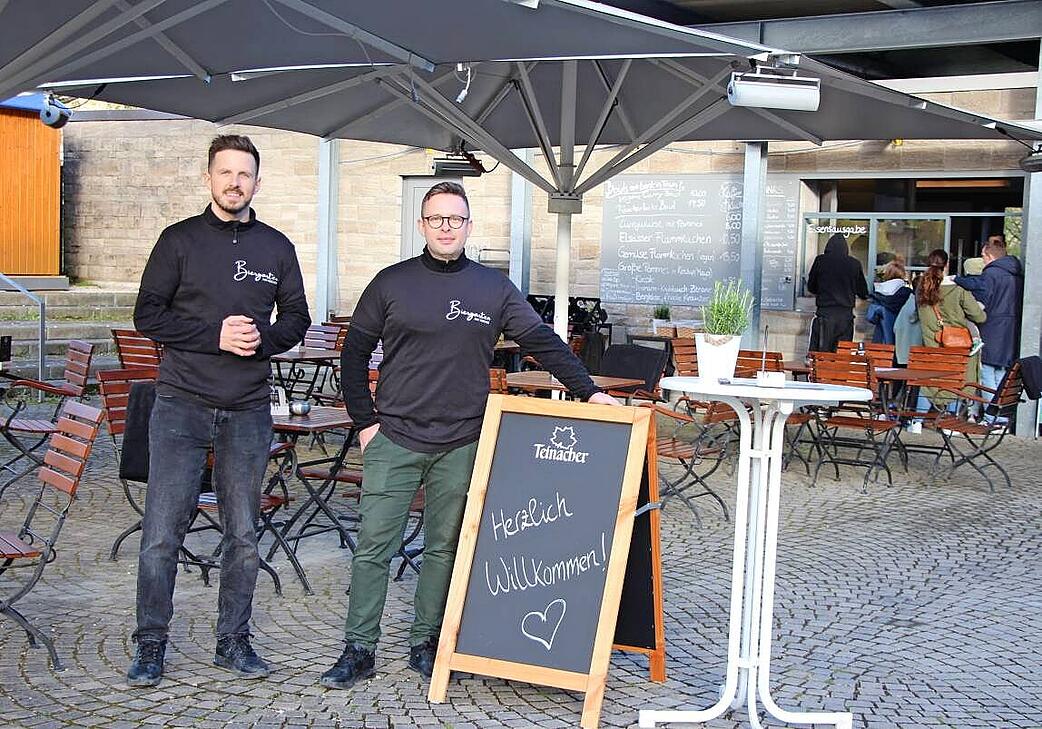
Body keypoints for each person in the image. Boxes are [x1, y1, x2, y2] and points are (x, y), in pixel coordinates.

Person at [320, 181, 618, 689]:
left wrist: (587, 392)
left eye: (455, 219)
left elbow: (542, 341)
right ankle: (359, 647)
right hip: (394, 436)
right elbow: (354, 353)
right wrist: (366, 422)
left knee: (445, 547)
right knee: (374, 545)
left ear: (468, 227)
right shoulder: (390, 283)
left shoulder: (492, 289)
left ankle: (426, 640)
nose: (445, 228)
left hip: (461, 442)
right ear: (421, 224)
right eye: (436, 219)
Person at [126, 135, 311, 686]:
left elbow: (297, 317)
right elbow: (147, 315)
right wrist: (214, 335)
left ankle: (233, 641)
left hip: (248, 412)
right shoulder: (178, 241)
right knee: (162, 531)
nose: (235, 182)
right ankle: (151, 644)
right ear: (209, 178)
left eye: (245, 174)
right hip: (180, 406)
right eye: (225, 172)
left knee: (243, 535)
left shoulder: (276, 247)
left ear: (257, 181)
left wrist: (264, 341)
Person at [909, 249, 985, 433]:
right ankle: (948, 423)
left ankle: (917, 421)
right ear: (947, 265)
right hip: (955, 348)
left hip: (930, 347)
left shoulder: (921, 289)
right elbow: (979, 316)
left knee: (927, 383)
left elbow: (916, 315)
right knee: (955, 381)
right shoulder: (958, 290)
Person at [954, 234, 1024, 394]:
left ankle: (990, 414)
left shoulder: (991, 274)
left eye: (983, 255)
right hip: (1010, 332)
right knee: (1001, 374)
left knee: (986, 373)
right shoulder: (1016, 274)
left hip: (991, 330)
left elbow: (980, 307)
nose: (982, 259)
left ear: (991, 256)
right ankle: (1000, 415)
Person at [807, 233, 870, 353]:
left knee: (820, 354)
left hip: (824, 314)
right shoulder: (854, 264)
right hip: (845, 316)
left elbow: (811, 286)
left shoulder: (820, 261)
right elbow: (863, 291)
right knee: (842, 353)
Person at [866, 260, 912, 345]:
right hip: (902, 336)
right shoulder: (908, 293)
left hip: (882, 336)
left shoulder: (879, 292)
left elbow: (870, 317)